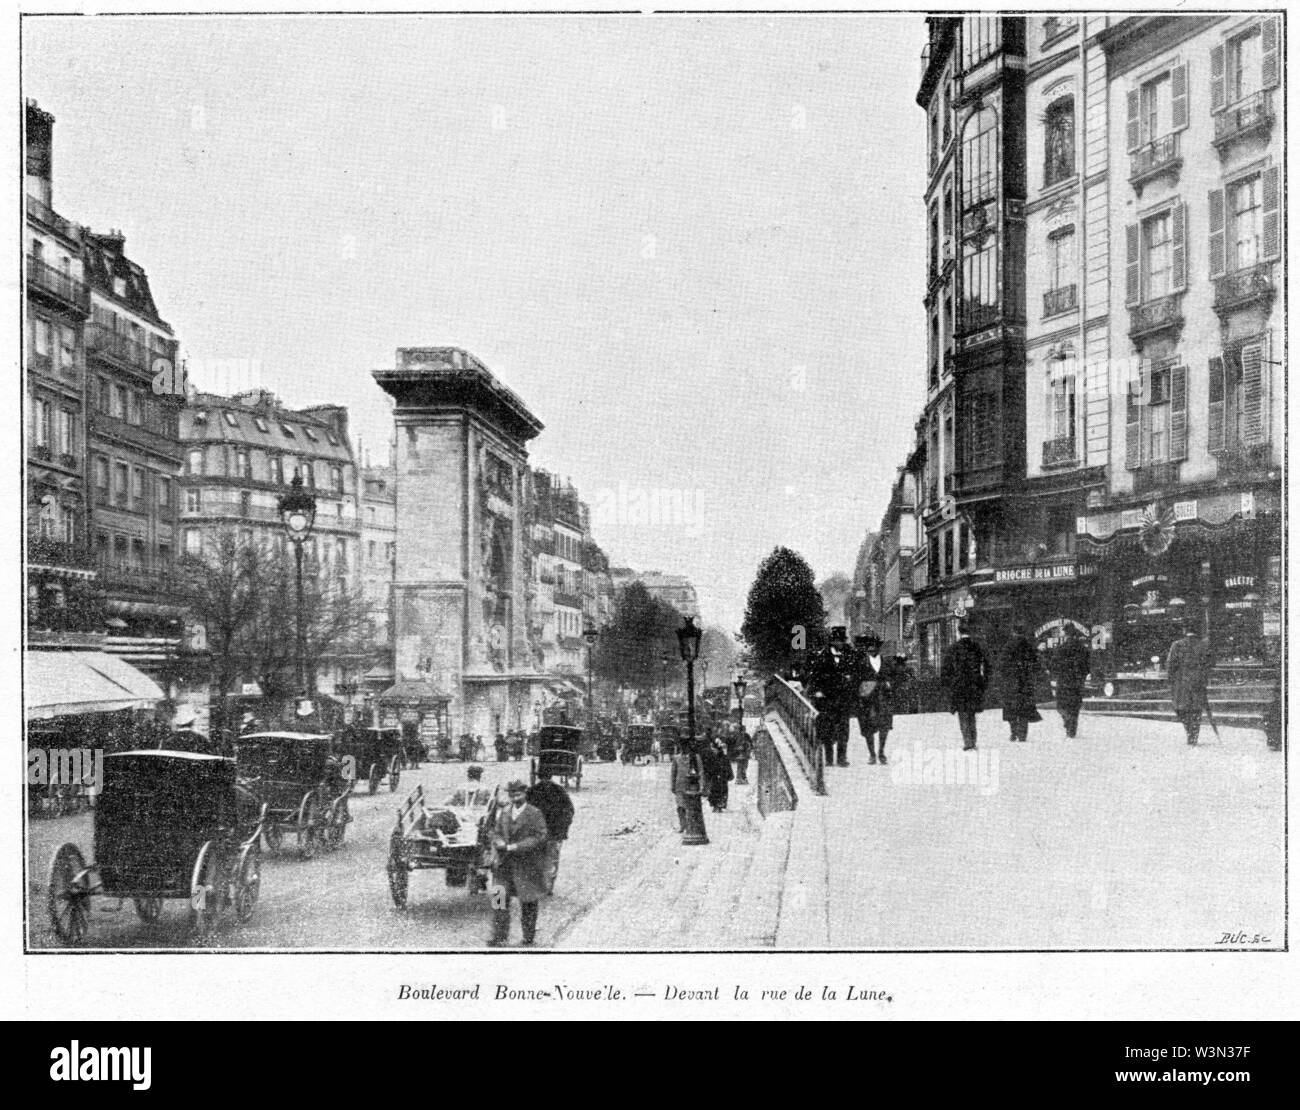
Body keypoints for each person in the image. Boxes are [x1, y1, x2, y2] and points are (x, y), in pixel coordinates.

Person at [488, 780, 548, 947]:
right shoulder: (505, 812)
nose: (515, 798)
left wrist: (514, 846)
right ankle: (499, 936)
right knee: (498, 899)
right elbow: (496, 832)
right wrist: (498, 841)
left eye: (518, 794)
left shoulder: (534, 813)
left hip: (526, 866)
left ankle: (528, 937)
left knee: (528, 902)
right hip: (503, 865)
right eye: (512, 795)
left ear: (525, 794)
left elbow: (540, 837)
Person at [852, 631, 906, 765]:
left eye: (874, 646)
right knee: (868, 727)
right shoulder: (861, 663)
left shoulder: (887, 662)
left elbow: (897, 677)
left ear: (878, 647)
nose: (872, 649)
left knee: (884, 726)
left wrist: (890, 684)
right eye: (869, 646)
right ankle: (872, 753)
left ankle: (881, 752)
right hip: (867, 700)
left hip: (883, 698)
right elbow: (855, 681)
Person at [940, 620, 989, 750]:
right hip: (974, 685)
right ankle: (973, 740)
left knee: (963, 714)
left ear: (959, 632)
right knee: (972, 713)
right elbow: (987, 665)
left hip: (959, 686)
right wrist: (983, 681)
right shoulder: (977, 647)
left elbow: (945, 670)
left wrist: (948, 684)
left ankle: (968, 741)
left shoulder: (953, 648)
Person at [808, 627, 852, 767]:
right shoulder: (823, 657)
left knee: (843, 729)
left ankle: (842, 758)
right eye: (837, 641)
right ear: (832, 641)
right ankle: (829, 758)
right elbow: (815, 677)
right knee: (828, 728)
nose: (840, 644)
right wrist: (817, 691)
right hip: (827, 698)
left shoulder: (849, 655)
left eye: (842, 641)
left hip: (843, 698)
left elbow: (856, 673)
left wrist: (850, 681)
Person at [527, 770, 574, 895]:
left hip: (536, 833)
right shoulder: (559, 790)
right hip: (554, 832)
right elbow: (569, 810)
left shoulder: (532, 790)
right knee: (552, 858)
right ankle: (548, 885)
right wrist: (563, 828)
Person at [1167, 626, 1212, 746]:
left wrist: (1171, 682)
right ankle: (1194, 735)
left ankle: (1189, 731)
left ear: (1184, 631)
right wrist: (1204, 680)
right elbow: (1208, 665)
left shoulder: (1176, 645)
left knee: (1181, 709)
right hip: (1198, 683)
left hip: (1182, 684)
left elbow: (1170, 665)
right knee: (1196, 710)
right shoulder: (1203, 645)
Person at [998, 624, 1043, 743]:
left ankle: (1013, 732)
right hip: (1025, 682)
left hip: (1011, 682)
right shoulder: (1029, 646)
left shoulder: (1008, 646)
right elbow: (1036, 664)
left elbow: (1002, 665)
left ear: (1013, 632)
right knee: (1024, 708)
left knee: (1011, 708)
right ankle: (1023, 734)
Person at [1052, 626, 1091, 739]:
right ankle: (1072, 728)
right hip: (1077, 681)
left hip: (1063, 680)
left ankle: (1067, 720)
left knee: (1061, 705)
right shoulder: (1083, 649)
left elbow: (1054, 664)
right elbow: (1087, 666)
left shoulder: (1060, 648)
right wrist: (1081, 676)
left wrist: (1058, 673)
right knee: (1075, 705)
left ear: (1066, 634)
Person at [702, 732, 733, 812]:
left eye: (713, 748)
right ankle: (716, 805)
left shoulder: (723, 757)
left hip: (722, 778)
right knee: (715, 791)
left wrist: (729, 775)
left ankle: (719, 805)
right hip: (715, 777)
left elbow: (728, 766)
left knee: (721, 791)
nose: (712, 750)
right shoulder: (711, 756)